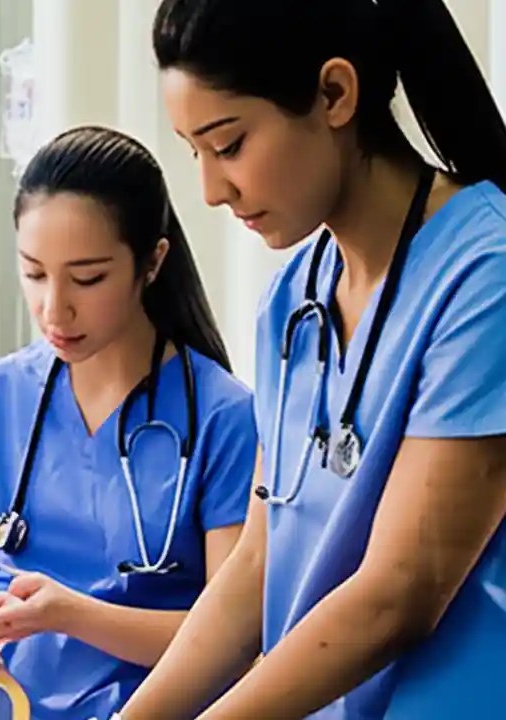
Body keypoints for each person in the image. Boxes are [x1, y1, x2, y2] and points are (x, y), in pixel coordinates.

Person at [112, 0, 506, 718]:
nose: (210, 190)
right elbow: (256, 565)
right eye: (192, 150)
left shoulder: (486, 275)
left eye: (228, 146)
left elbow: (400, 592)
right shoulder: (294, 302)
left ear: (334, 94)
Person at [0, 126, 258, 719]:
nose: (55, 309)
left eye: (87, 278)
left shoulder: (223, 419)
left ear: (152, 262)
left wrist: (69, 613)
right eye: (33, 274)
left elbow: (232, 642)